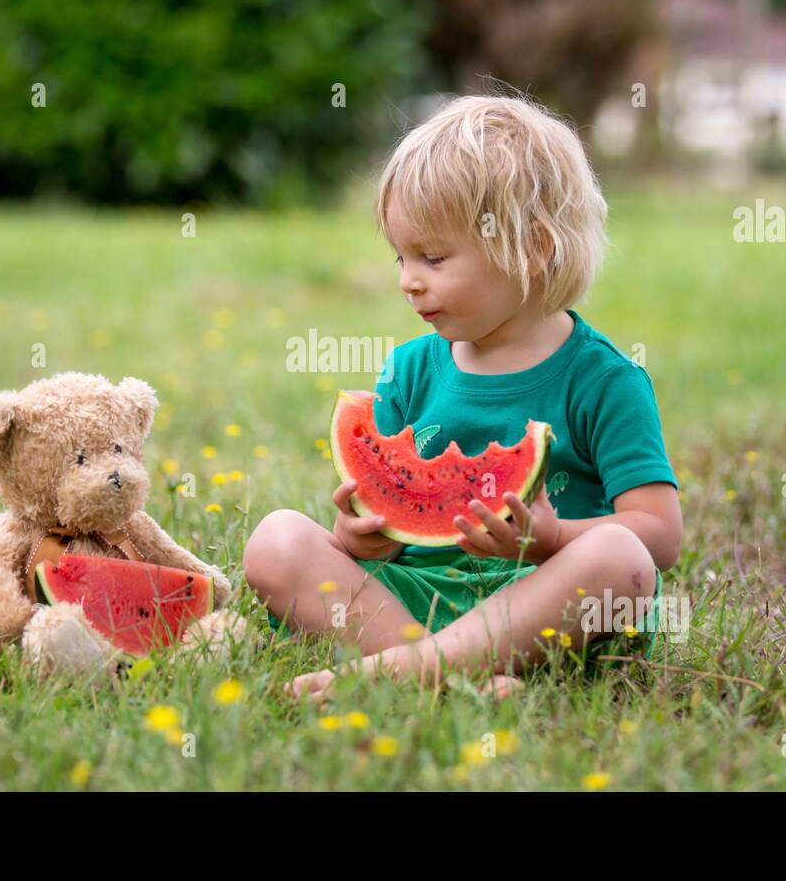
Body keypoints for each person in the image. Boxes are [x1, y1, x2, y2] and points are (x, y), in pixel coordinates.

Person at [243, 91, 683, 702]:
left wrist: (551, 540)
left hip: (548, 608)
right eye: (400, 257)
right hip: (417, 600)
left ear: (533, 248)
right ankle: (445, 674)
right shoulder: (408, 371)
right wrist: (360, 538)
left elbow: (660, 537)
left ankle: (399, 671)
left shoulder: (606, 380)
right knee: (276, 540)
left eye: (434, 257)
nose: (407, 280)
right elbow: (391, 531)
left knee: (620, 558)